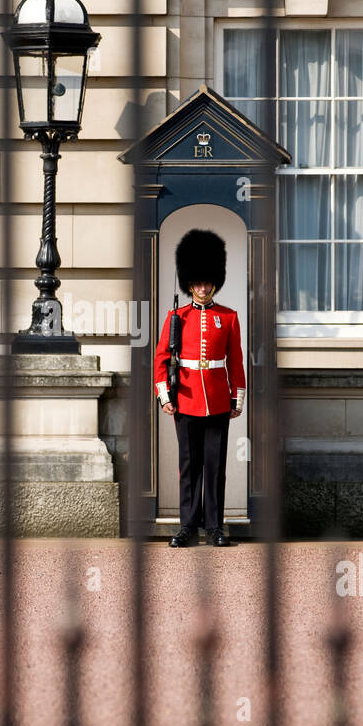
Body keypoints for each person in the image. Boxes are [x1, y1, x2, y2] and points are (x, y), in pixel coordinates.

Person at [153, 228, 246, 547]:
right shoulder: (176, 317)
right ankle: (188, 526)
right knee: (189, 466)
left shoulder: (229, 317)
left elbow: (235, 361)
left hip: (218, 400)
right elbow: (161, 359)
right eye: (198, 282)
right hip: (186, 399)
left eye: (207, 282)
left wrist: (238, 397)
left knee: (216, 467)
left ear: (214, 283)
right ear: (189, 284)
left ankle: (215, 527)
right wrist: (165, 396)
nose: (203, 287)